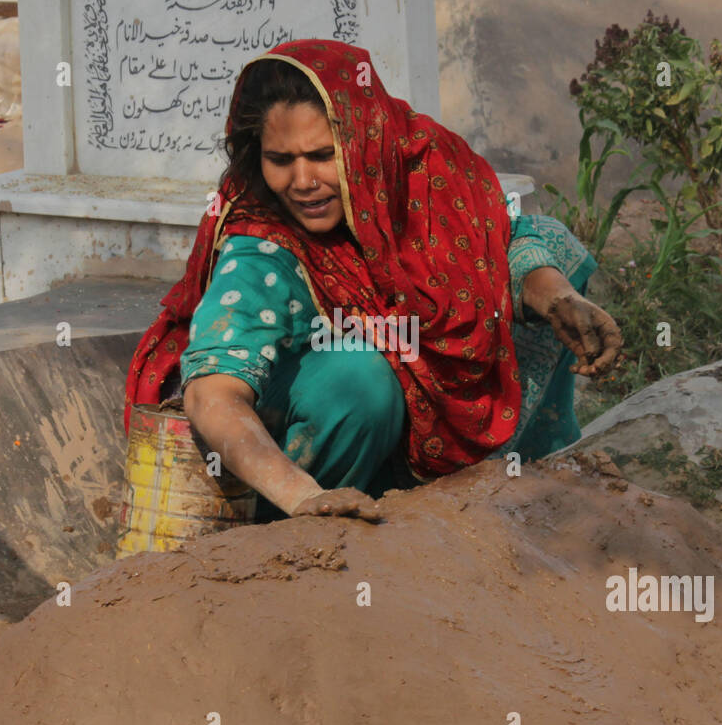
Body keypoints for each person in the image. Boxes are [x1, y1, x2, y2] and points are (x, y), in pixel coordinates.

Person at [124, 39, 622, 523]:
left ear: (366, 145)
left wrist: (555, 295)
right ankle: (301, 537)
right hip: (303, 466)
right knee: (358, 379)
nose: (302, 182)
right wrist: (302, 496)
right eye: (281, 160)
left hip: (407, 436)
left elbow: (505, 240)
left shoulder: (419, 181)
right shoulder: (262, 246)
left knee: (547, 254)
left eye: (322, 155)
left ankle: (519, 485)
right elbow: (212, 394)